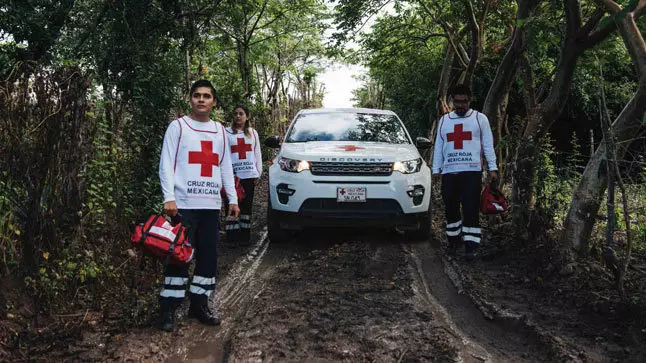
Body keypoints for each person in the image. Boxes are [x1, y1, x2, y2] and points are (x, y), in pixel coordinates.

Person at [158, 79, 240, 331]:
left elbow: (225, 166)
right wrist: (168, 197)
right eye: (197, 95)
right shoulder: (178, 127)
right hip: (183, 204)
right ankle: (168, 308)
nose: (201, 100)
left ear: (214, 102)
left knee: (208, 257)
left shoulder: (220, 132)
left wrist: (233, 199)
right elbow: (166, 162)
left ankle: (199, 304)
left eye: (207, 96)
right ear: (190, 99)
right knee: (179, 256)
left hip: (211, 205)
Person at [432, 83, 498, 260]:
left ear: (470, 100)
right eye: (456, 101)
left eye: (464, 101)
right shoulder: (445, 121)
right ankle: (453, 242)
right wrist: (436, 169)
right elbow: (439, 147)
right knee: (451, 208)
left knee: (470, 209)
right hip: (449, 173)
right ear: (452, 101)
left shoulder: (479, 118)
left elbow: (487, 145)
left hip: (471, 172)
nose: (460, 105)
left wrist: (493, 167)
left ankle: (471, 246)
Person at [224, 105, 262, 246]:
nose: (238, 116)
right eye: (236, 113)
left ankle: (245, 236)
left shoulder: (252, 133)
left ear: (247, 116)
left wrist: (258, 172)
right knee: (231, 204)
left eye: (241, 113)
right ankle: (232, 236)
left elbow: (256, 152)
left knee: (246, 205)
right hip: (233, 175)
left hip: (249, 175)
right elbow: (225, 153)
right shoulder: (227, 133)